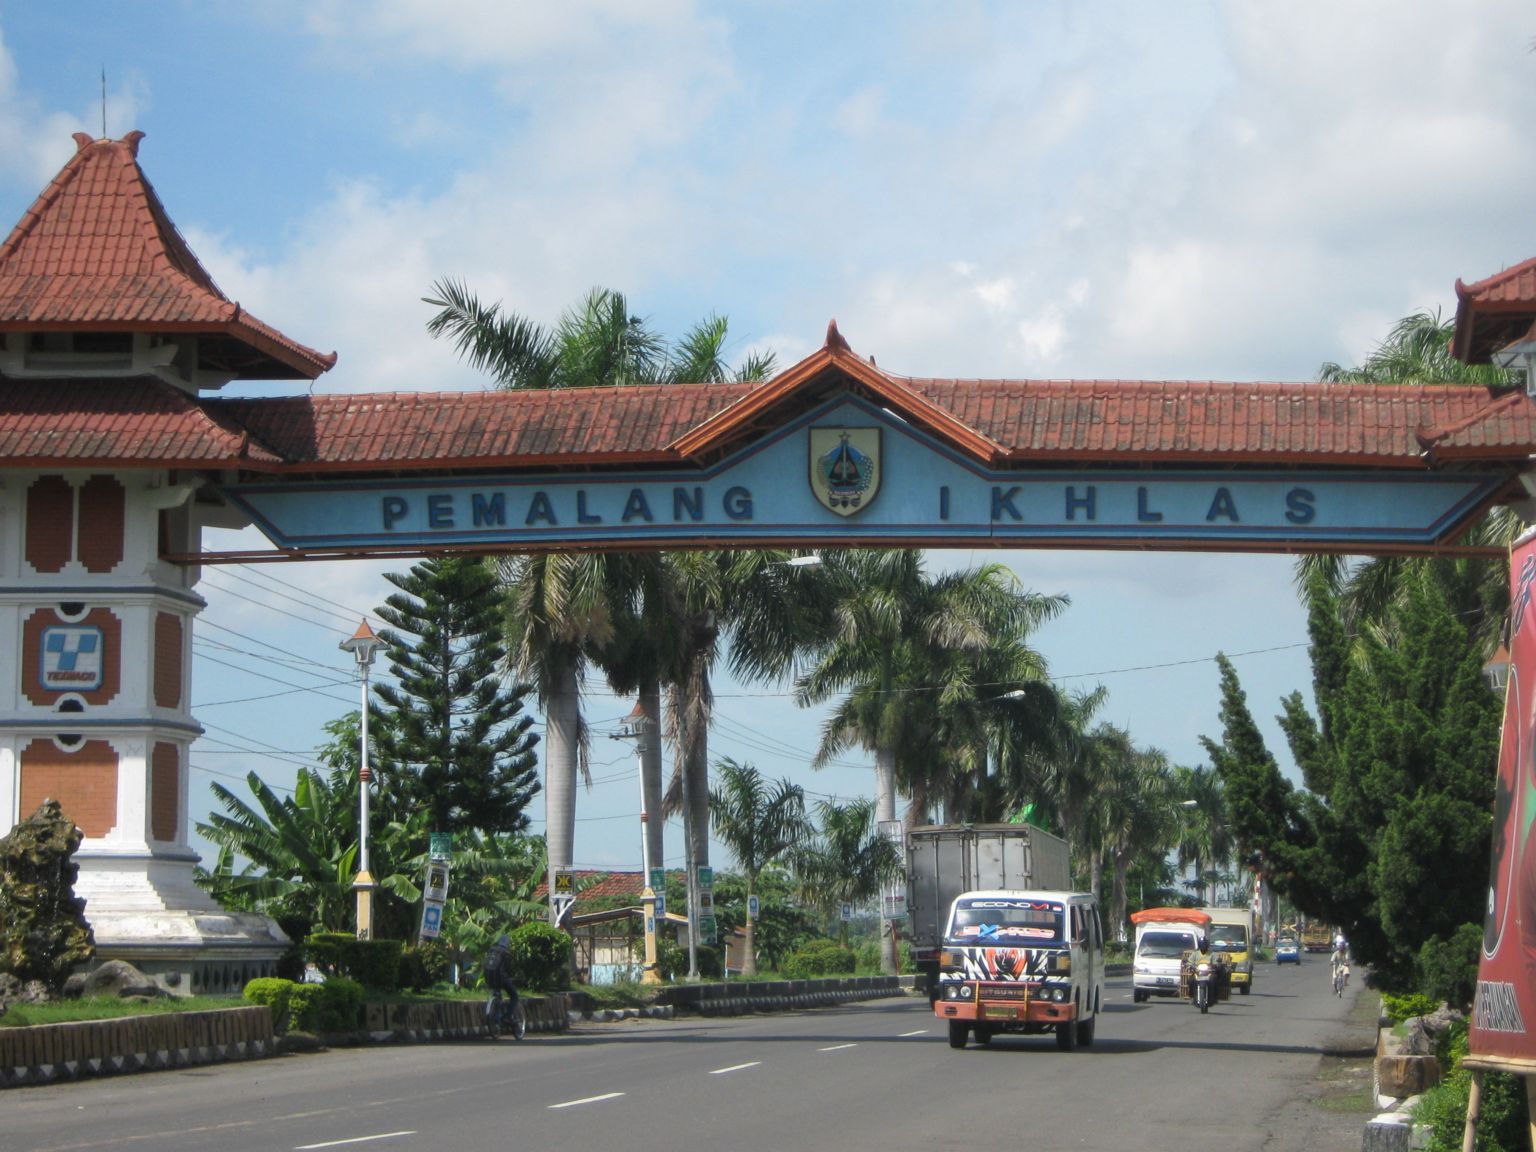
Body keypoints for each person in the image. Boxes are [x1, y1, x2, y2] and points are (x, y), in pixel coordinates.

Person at [483, 933, 522, 1037]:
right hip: (501, 978)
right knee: (514, 995)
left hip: (488, 977)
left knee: (496, 991)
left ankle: (495, 1010)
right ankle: (507, 1017)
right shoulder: (506, 953)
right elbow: (509, 970)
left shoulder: (491, 950)